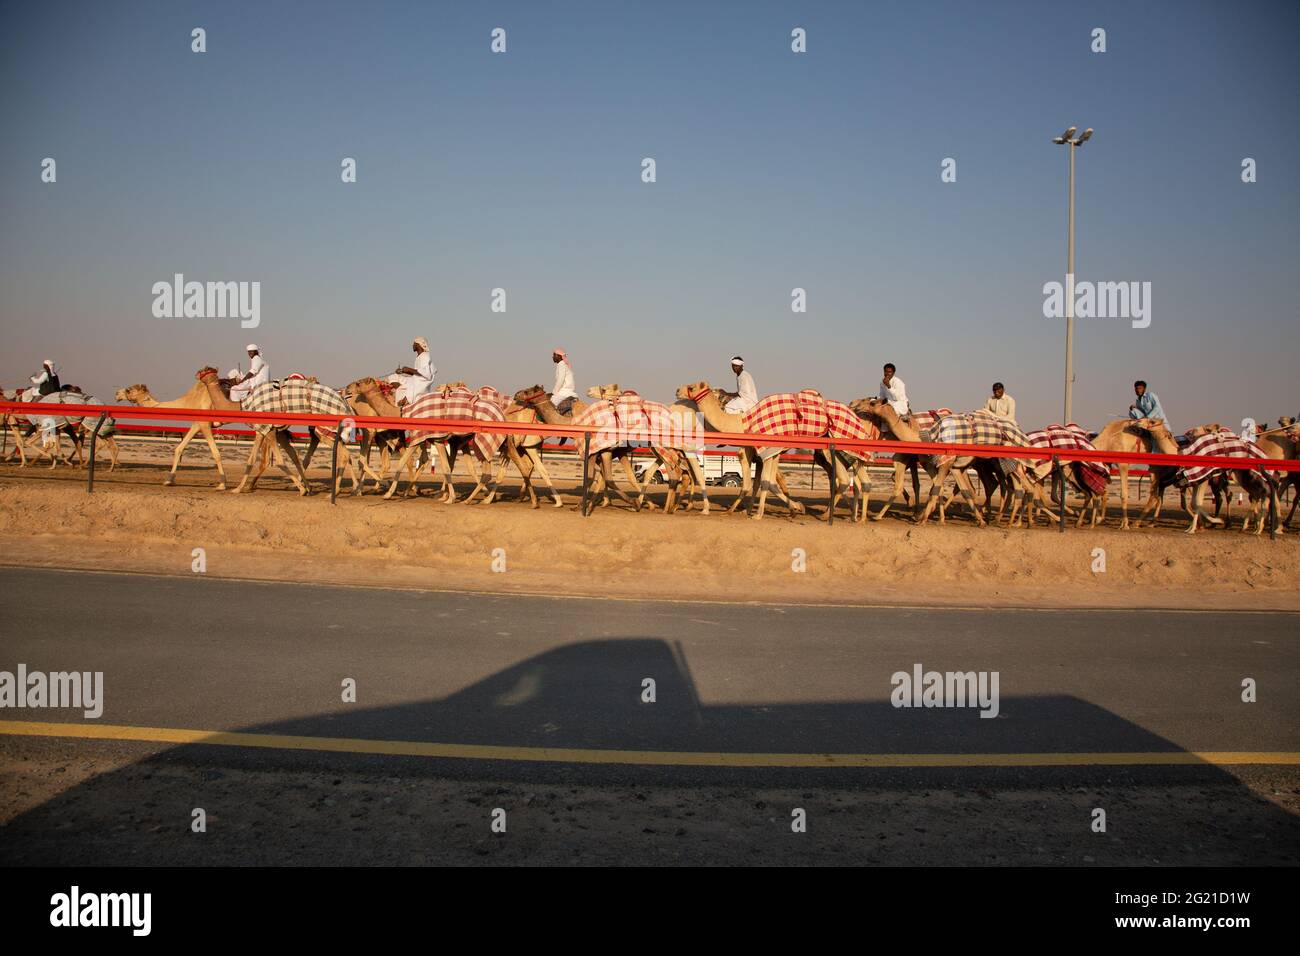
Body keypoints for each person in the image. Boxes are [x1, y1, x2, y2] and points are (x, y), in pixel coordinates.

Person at [394, 337, 435, 407]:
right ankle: (402, 400)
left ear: (418, 344)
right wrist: (402, 371)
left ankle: (405, 399)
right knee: (395, 378)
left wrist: (409, 369)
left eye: (414, 343)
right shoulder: (419, 357)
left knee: (411, 382)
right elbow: (417, 373)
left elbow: (426, 374)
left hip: (422, 382)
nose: (412, 345)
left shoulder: (425, 356)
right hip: (417, 379)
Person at [551, 348, 579, 415]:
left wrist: (554, 391)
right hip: (566, 391)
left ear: (559, 356)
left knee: (550, 405)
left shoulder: (561, 364)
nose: (552, 357)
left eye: (554, 355)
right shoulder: (563, 364)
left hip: (564, 392)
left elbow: (560, 380)